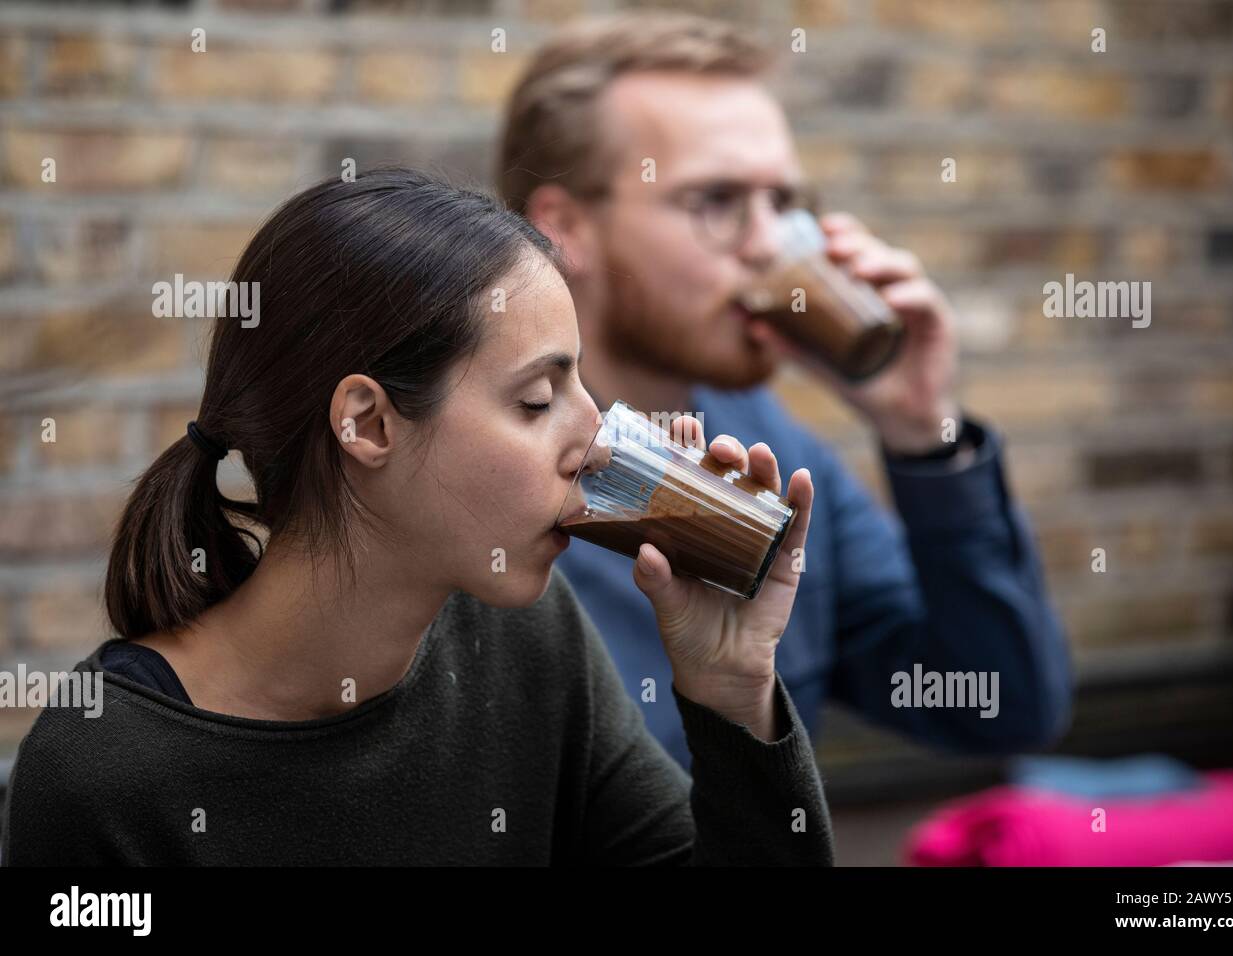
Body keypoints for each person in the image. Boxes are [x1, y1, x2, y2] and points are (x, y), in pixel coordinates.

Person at [0, 168, 832, 866]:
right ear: (367, 424)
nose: (600, 439)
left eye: (579, 385)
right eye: (538, 399)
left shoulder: (527, 640)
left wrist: (732, 689)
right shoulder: (104, 775)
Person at [495, 13, 1073, 770]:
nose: (770, 245)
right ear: (565, 228)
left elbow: (1000, 708)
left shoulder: (771, 448)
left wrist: (921, 430)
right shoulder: (475, 477)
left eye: (783, 202)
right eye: (717, 201)